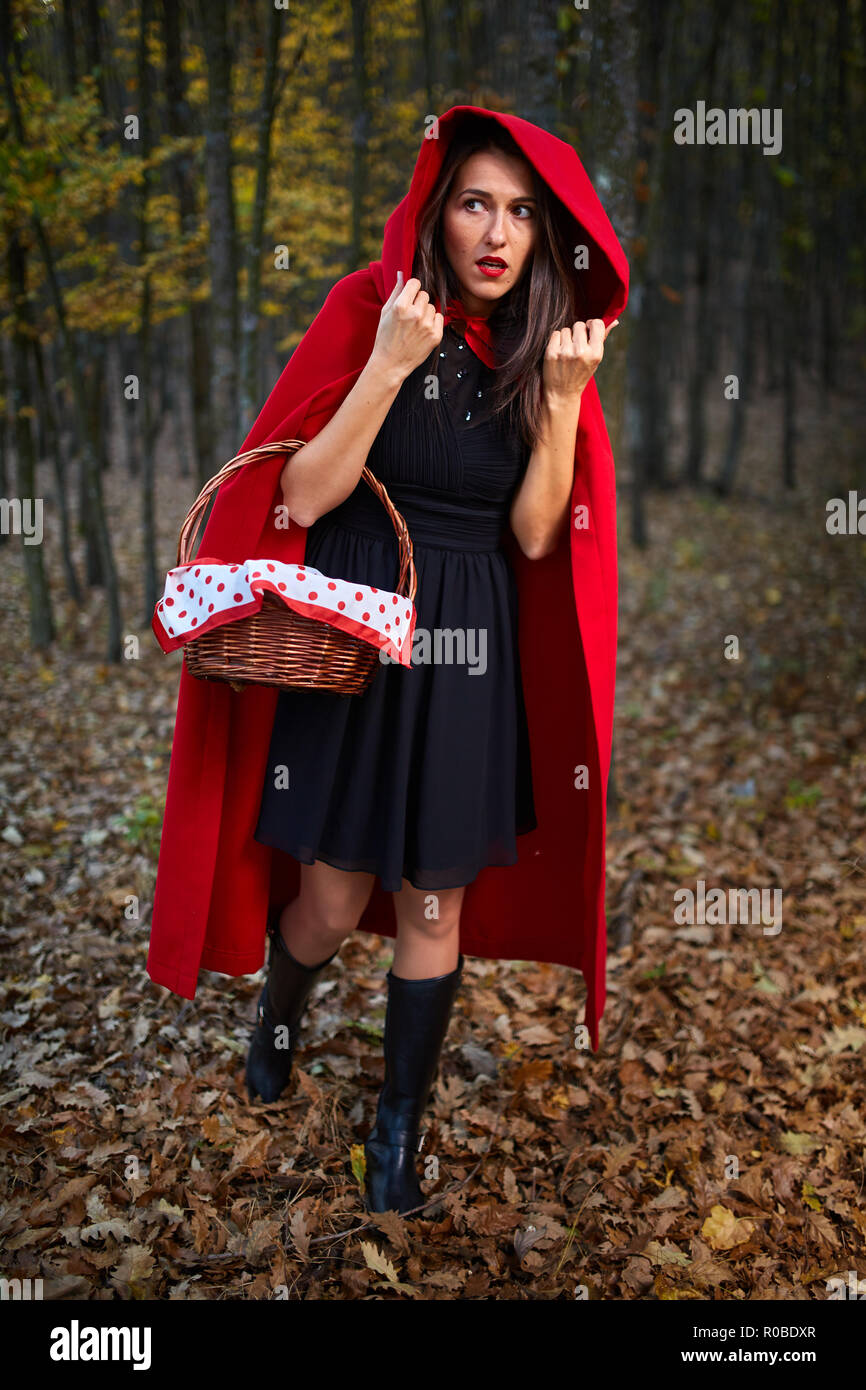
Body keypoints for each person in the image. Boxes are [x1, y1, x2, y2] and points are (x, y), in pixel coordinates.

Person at [146, 106, 628, 1218]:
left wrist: (558, 403)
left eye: (518, 212)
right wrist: (387, 363)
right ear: (436, 211)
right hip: (356, 633)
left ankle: (395, 1129)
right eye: (474, 203)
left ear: (542, 233)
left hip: (468, 647)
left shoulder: (543, 351)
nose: (496, 233)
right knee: (328, 894)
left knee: (431, 904)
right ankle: (281, 1004)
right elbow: (302, 494)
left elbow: (536, 537)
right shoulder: (369, 310)